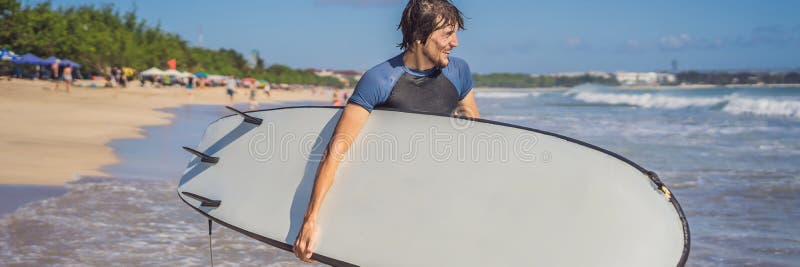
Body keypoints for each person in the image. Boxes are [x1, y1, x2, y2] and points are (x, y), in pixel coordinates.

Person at [292, 0, 479, 262]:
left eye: (456, 33)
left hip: (440, 201)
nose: (456, 42)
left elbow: (475, 136)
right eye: (448, 34)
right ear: (418, 36)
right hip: (390, 205)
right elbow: (336, 151)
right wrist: (310, 220)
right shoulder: (379, 80)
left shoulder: (459, 71)